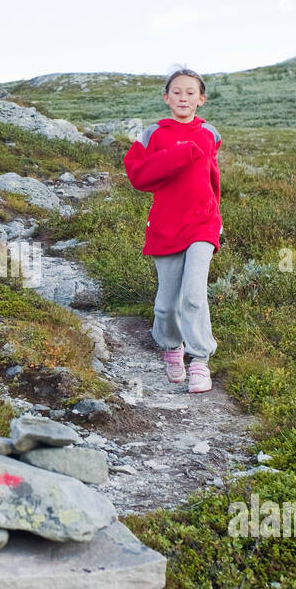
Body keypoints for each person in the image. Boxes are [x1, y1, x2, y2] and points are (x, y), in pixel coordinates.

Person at [123, 64, 222, 394]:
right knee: (166, 305)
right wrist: (179, 153)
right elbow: (139, 175)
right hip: (165, 226)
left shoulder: (209, 134)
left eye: (190, 92)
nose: (183, 97)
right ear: (166, 97)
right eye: (176, 91)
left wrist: (213, 215)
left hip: (202, 225)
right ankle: (171, 346)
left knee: (194, 295)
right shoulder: (153, 134)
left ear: (201, 99)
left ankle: (199, 361)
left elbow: (211, 179)